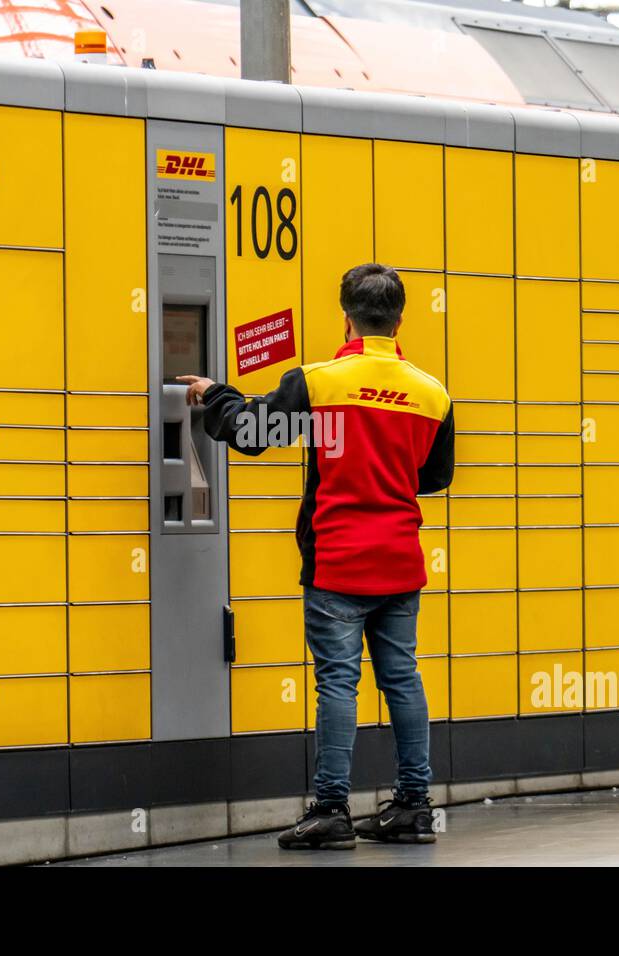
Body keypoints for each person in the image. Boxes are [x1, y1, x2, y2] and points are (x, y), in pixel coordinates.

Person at [178, 263, 455, 850]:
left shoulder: (320, 382)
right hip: (400, 562)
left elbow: (250, 432)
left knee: (338, 683)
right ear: (400, 317)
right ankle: (414, 806)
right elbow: (433, 476)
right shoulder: (433, 394)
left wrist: (215, 394)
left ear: (346, 316)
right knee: (402, 678)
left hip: (338, 562)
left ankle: (330, 811)